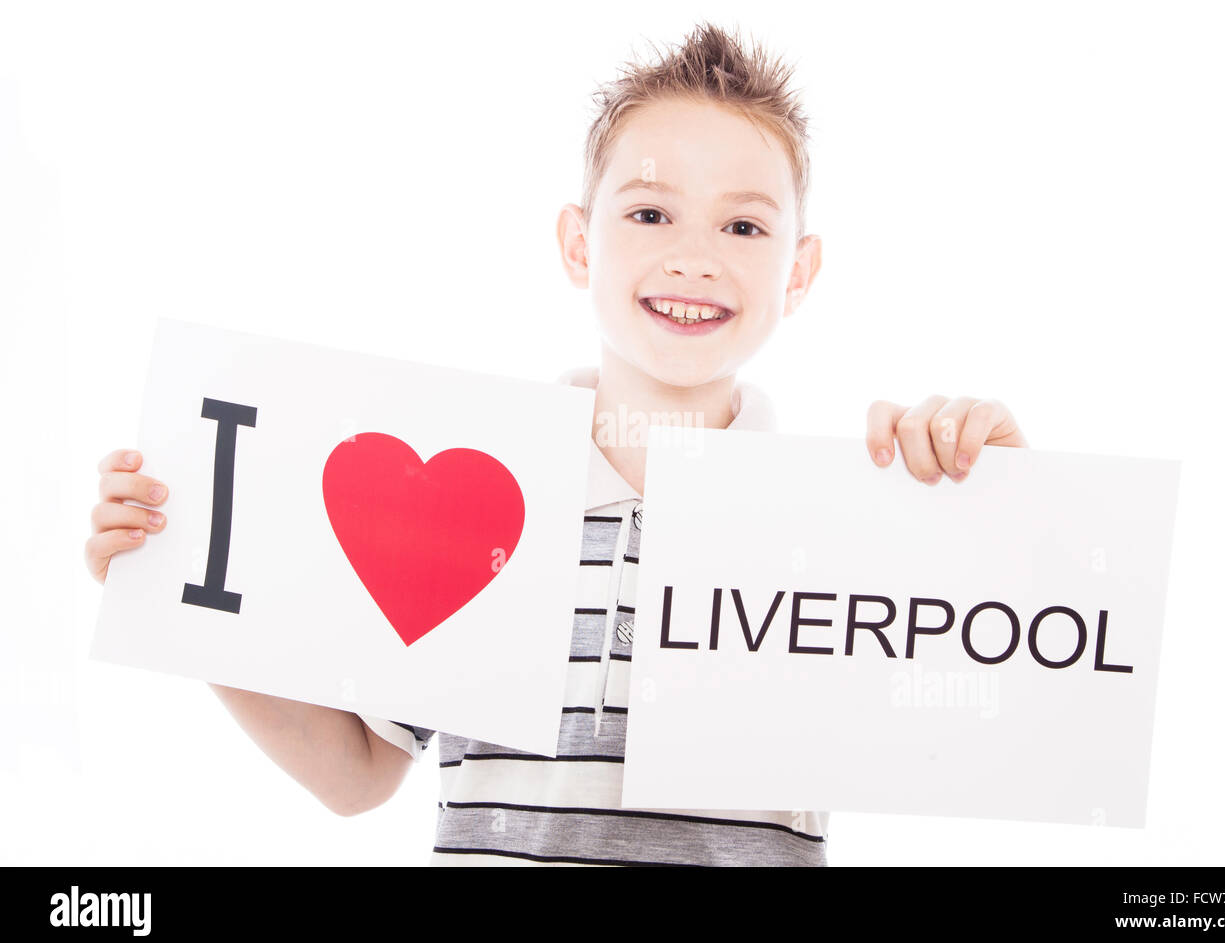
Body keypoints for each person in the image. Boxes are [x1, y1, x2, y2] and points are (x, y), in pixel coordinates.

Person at [83, 21, 1027, 865]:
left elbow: (983, 731)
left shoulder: (837, 522)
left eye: (743, 224)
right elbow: (357, 775)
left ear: (799, 270)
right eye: (650, 213)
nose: (694, 254)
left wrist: (1004, 517)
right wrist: (183, 603)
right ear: (580, 244)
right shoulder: (481, 496)